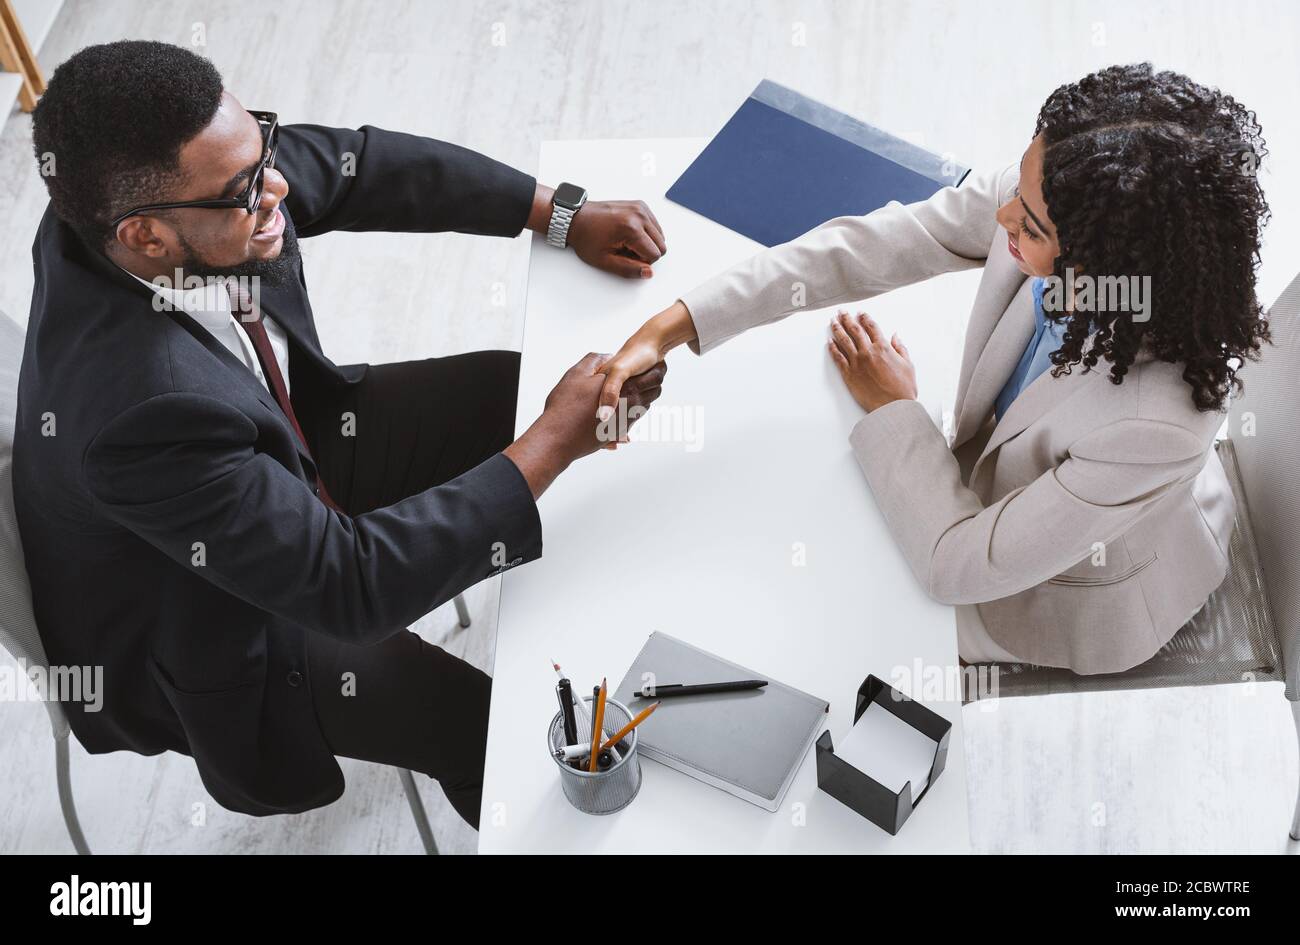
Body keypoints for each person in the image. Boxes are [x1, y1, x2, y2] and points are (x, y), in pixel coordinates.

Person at [13, 40, 666, 826]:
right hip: (223, 625)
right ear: (144, 238)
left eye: (264, 146)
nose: (277, 188)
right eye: (248, 188)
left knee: (515, 390)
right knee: (483, 726)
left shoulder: (174, 187)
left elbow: (361, 167)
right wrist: (555, 444)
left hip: (284, 445)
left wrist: (560, 213)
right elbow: (350, 588)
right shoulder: (138, 414)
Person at [596, 63, 1270, 674]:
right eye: (1020, 186)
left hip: (1062, 598)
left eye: (1030, 225)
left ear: (1106, 263)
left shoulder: (1158, 420)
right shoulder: (1055, 194)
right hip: (1019, 495)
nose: (1003, 213)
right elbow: (872, 245)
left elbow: (955, 565)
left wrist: (896, 411)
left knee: (819, 607)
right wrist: (671, 326)